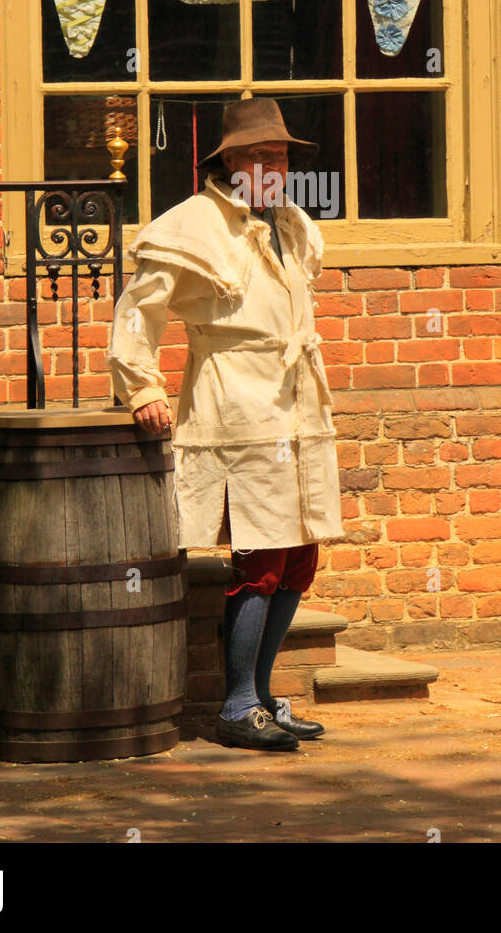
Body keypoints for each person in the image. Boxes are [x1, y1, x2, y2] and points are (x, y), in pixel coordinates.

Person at [107, 97, 345, 752]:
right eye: (262, 156)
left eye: (283, 156)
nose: (275, 166)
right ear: (231, 161)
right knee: (260, 557)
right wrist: (143, 387)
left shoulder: (291, 224)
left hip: (296, 404)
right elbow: (137, 313)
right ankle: (236, 705)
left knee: (299, 557)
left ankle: (264, 696)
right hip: (235, 405)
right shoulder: (192, 227)